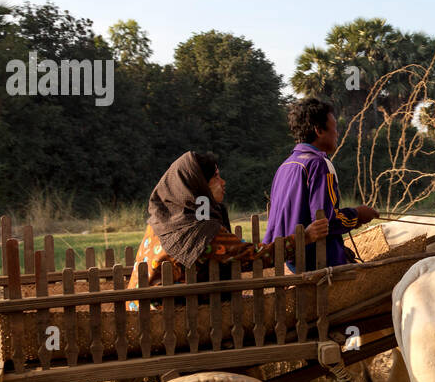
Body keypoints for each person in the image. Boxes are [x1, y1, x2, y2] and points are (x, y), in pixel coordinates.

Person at [126, 150, 274, 309]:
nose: (223, 182)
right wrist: (303, 239)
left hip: (136, 313)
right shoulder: (202, 233)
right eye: (216, 177)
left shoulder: (160, 223)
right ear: (199, 185)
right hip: (166, 320)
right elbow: (253, 255)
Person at [264, 97, 379, 267]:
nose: (337, 134)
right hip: (316, 259)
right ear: (319, 130)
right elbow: (327, 221)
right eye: (334, 128)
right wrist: (358, 215)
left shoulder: (285, 165)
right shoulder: (318, 164)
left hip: (289, 259)